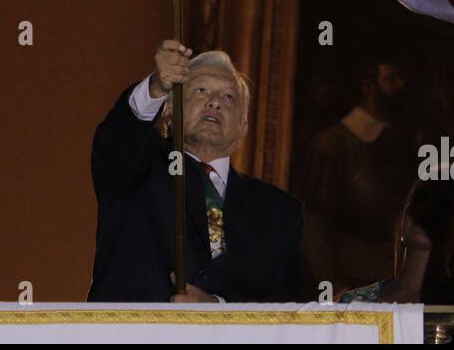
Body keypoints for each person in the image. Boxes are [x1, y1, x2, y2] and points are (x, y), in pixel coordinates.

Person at [87, 40, 306, 302]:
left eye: (228, 97)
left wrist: (219, 310)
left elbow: (287, 312)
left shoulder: (280, 211)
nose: (214, 102)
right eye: (201, 91)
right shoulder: (137, 163)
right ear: (168, 110)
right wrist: (157, 86)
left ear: (243, 128)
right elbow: (118, 138)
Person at [294, 60, 432, 298]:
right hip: (350, 280)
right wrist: (335, 288)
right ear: (368, 88)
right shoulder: (333, 144)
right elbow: (312, 225)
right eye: (391, 78)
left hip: (397, 279)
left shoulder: (405, 142)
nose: (401, 86)